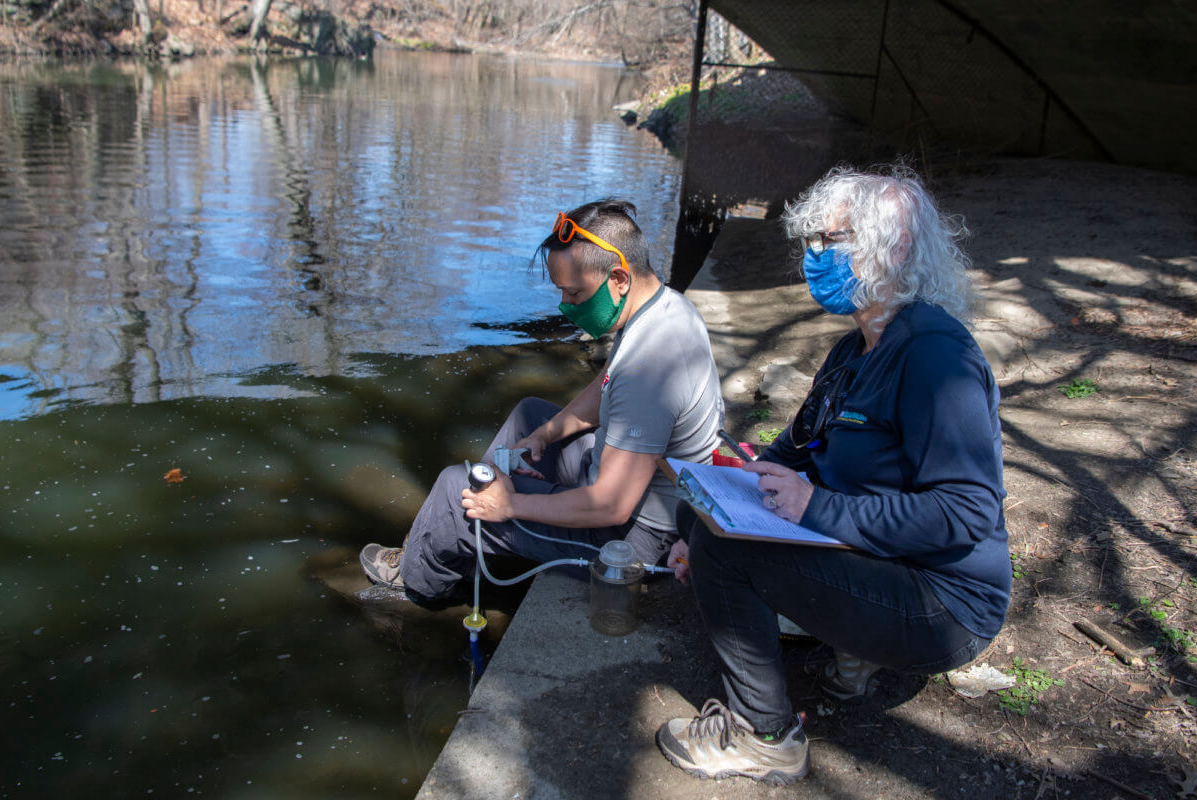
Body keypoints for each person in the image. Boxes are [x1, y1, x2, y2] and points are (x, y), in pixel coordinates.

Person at [656, 166, 1010, 785]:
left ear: (893, 249)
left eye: (830, 242)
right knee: (697, 512)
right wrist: (735, 480)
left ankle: (764, 737)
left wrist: (814, 507)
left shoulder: (935, 356)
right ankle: (851, 646)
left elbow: (966, 513)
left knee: (725, 549)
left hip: (944, 603)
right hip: (878, 558)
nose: (812, 256)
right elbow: (800, 447)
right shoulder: (855, 349)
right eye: (811, 241)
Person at [360, 199, 724, 605]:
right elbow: (606, 385)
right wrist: (545, 434)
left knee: (451, 490)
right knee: (530, 416)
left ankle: (418, 584)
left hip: (636, 541)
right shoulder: (662, 305)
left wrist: (512, 505)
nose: (566, 306)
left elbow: (610, 506)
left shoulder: (650, 367)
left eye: (574, 292)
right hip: (638, 492)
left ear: (619, 277)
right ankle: (476, 533)